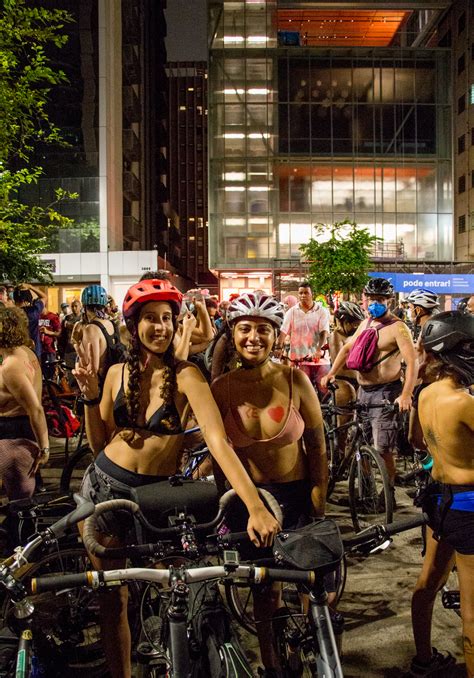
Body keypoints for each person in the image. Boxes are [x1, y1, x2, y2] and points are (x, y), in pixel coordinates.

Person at [74, 279, 280, 678]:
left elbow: (219, 443)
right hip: (106, 488)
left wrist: (254, 505)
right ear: (134, 326)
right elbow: (99, 442)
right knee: (112, 598)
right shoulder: (117, 371)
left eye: (167, 318)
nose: (161, 327)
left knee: (183, 591)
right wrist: (89, 393)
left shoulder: (187, 375)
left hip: (158, 498)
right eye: (151, 318)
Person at [211, 292, 327, 676]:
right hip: (251, 503)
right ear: (232, 332)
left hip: (296, 496)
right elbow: (218, 454)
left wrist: (318, 495)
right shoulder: (222, 388)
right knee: (265, 589)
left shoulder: (295, 380)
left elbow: (316, 443)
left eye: (264, 329)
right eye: (245, 328)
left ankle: (317, 653)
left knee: (312, 585)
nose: (254, 337)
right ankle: (271, 664)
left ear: (277, 335)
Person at [409, 311, 474, 677]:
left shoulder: (428, 393)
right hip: (469, 507)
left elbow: (417, 441)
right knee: (473, 612)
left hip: (440, 500)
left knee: (428, 582)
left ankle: (423, 659)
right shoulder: (464, 403)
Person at [321, 277, 418, 498]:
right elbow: (346, 348)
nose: (375, 303)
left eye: (380, 299)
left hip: (386, 392)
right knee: (361, 442)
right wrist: (331, 372)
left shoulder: (398, 328)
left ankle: (388, 492)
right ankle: (366, 493)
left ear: (390, 301)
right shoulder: (366, 324)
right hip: (363, 391)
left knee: (383, 448)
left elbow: (412, 362)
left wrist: (406, 394)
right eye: (371, 299)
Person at [0, 307, 50, 501]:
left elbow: (35, 408)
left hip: (15, 436)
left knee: (20, 504)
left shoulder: (12, 364)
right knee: (22, 501)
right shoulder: (26, 352)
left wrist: (45, 447)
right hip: (20, 433)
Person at [405, 289, 440, 451]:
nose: (409, 311)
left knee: (415, 437)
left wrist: (407, 387)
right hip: (433, 386)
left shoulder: (428, 329)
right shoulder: (434, 326)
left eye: (410, 307)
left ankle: (433, 470)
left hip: (425, 386)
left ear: (418, 309)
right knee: (431, 436)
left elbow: (425, 361)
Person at [75, 284, 119, 387]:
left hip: (99, 386)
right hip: (112, 381)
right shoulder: (110, 323)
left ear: (84, 306)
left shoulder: (91, 329)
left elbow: (92, 368)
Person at [13, 283, 47, 358]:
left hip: (18, 350)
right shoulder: (34, 311)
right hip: (35, 348)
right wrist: (30, 287)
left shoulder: (13, 313)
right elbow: (44, 297)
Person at [39, 304, 61, 380]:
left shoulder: (53, 317)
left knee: (51, 371)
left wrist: (48, 332)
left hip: (50, 348)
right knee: (42, 371)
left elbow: (59, 333)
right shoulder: (37, 316)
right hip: (40, 349)